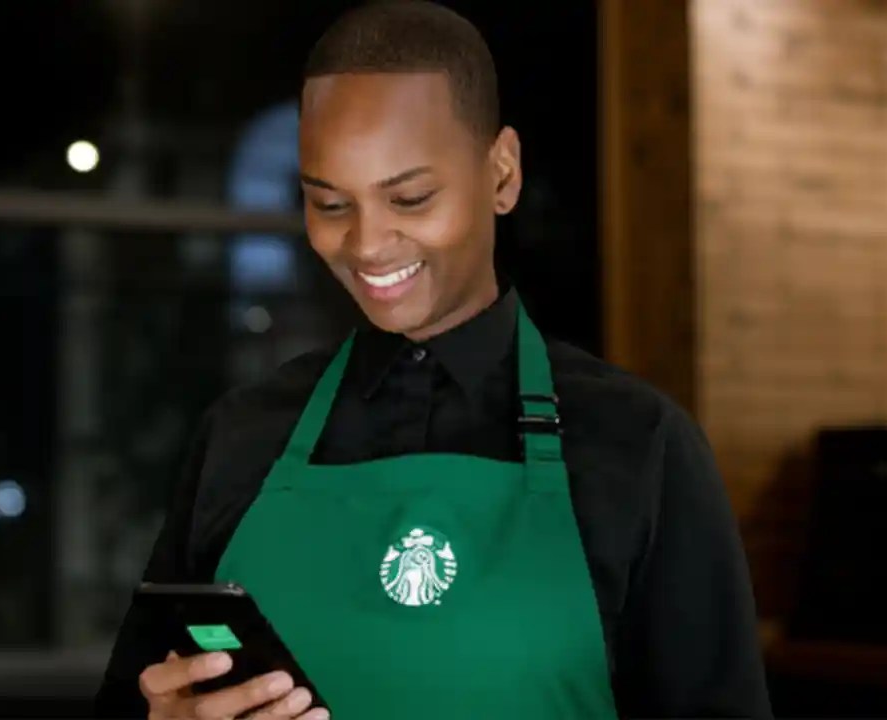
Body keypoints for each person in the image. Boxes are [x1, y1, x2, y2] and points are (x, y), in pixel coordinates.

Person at [95, 2, 771, 718]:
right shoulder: (240, 436)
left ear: (502, 175)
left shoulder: (641, 447)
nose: (366, 245)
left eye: (410, 198)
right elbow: (136, 697)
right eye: (329, 204)